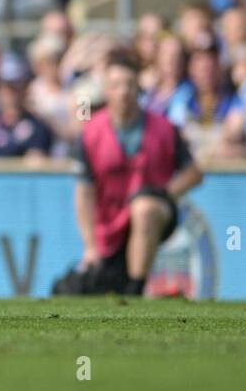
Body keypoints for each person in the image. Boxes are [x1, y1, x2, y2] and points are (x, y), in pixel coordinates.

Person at [58, 48, 203, 296]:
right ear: (106, 90)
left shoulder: (165, 128)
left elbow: (194, 173)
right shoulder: (90, 132)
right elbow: (84, 193)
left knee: (144, 206)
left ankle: (136, 290)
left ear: (139, 88)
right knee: (72, 290)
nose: (124, 92)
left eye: (129, 84)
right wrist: (90, 246)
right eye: (116, 85)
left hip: (156, 214)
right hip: (110, 226)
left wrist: (164, 194)